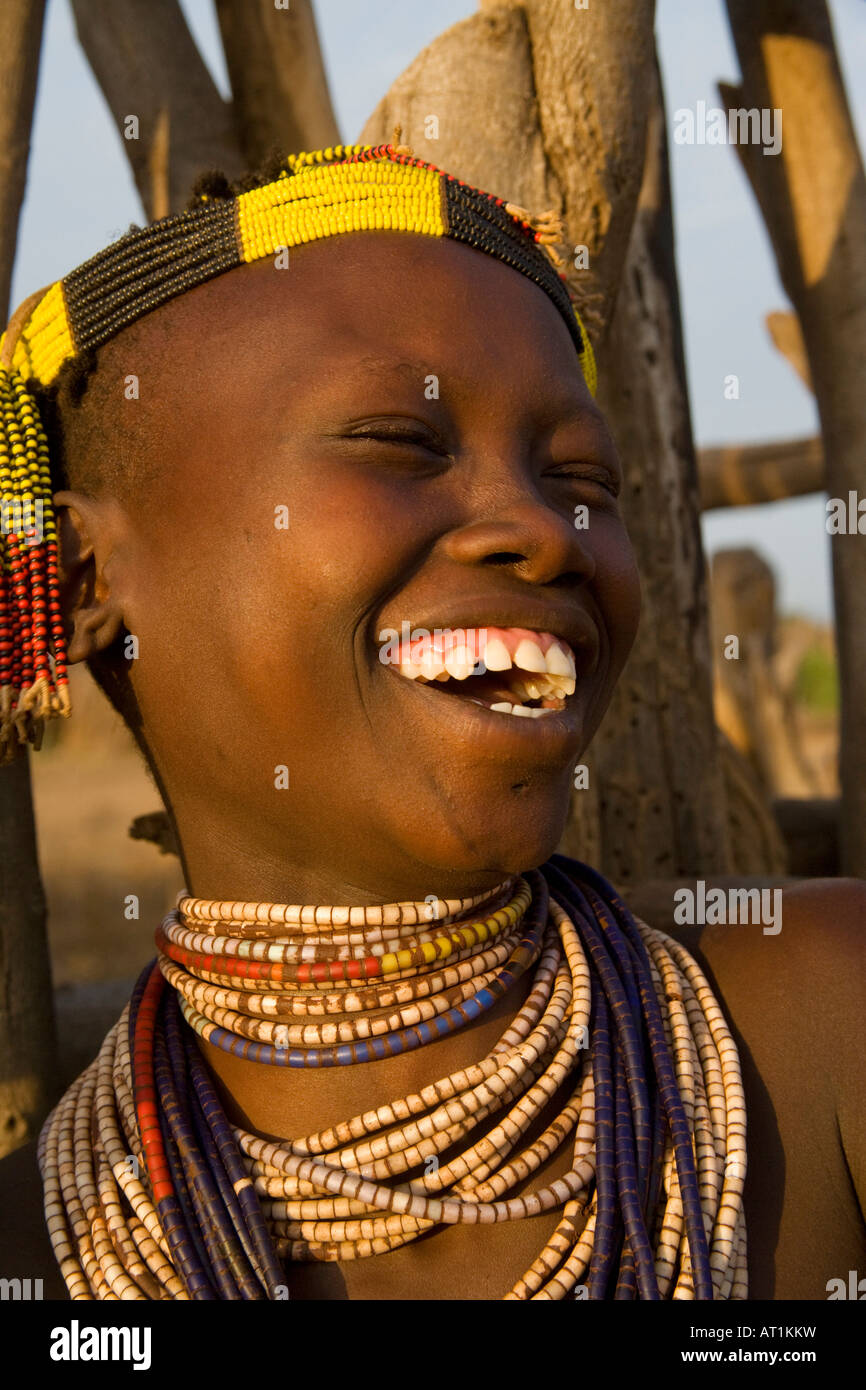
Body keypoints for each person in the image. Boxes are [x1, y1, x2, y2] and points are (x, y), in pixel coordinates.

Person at [0, 142, 862, 1301]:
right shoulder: (37, 1259)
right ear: (88, 579)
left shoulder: (823, 1032)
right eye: (399, 443)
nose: (546, 530)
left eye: (583, 482)